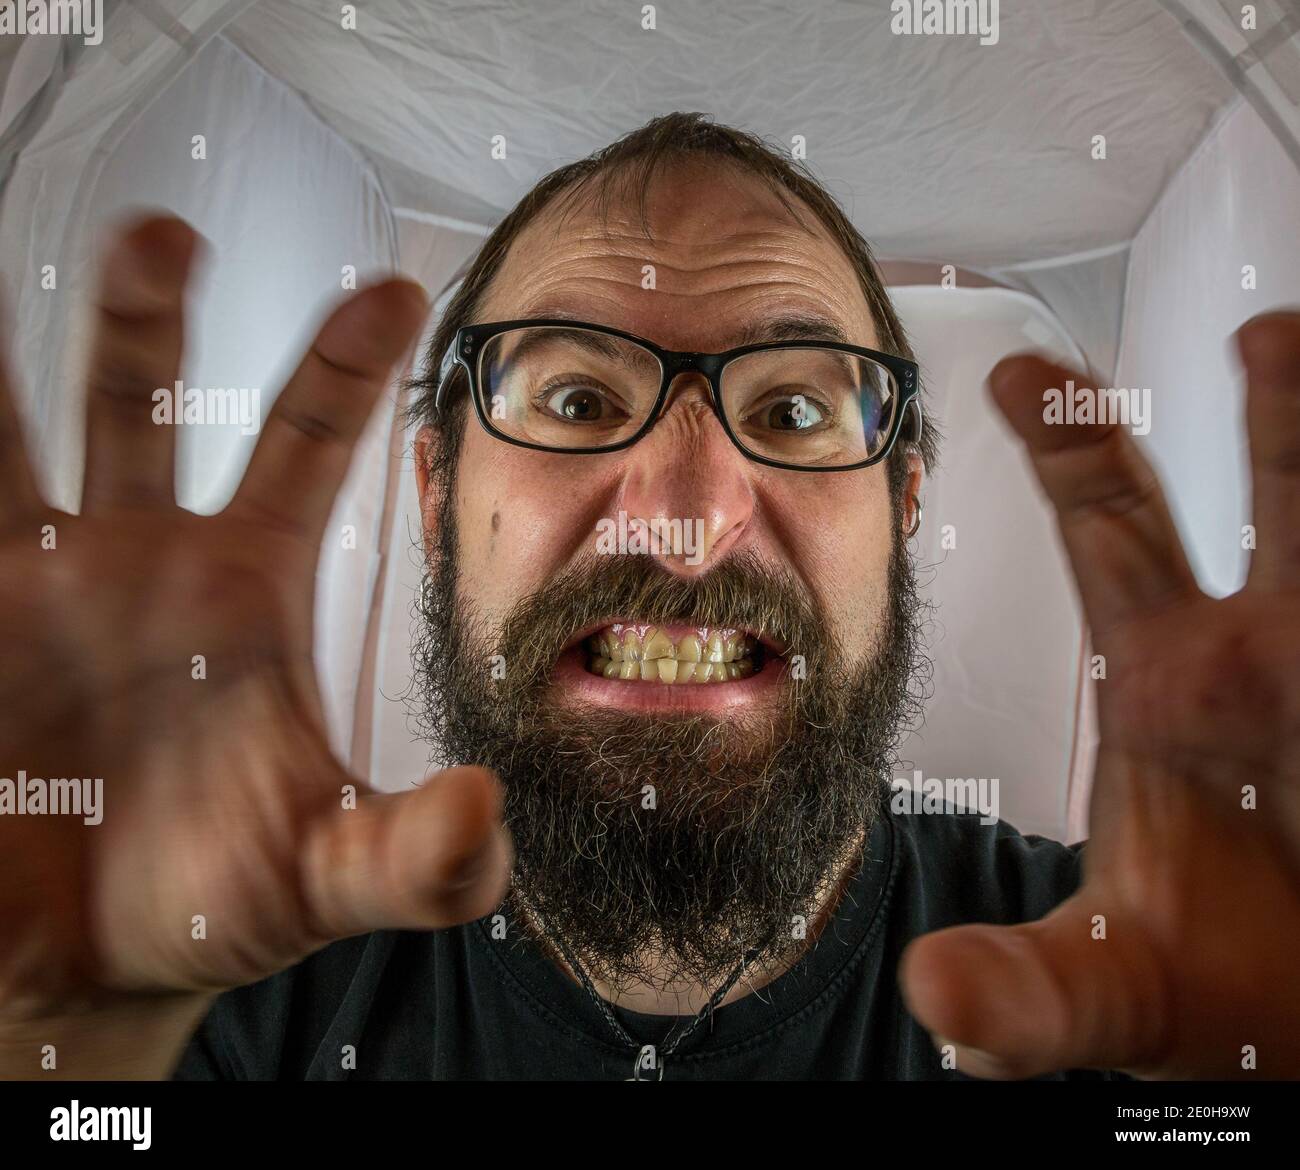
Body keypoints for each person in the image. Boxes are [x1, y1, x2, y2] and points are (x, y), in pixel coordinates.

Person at [2, 113, 1297, 1082]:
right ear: (436, 482)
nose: (683, 511)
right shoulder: (227, 963)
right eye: (576, 399)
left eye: (793, 408)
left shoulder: (1133, 973)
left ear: (903, 505)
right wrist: (61, 1042)